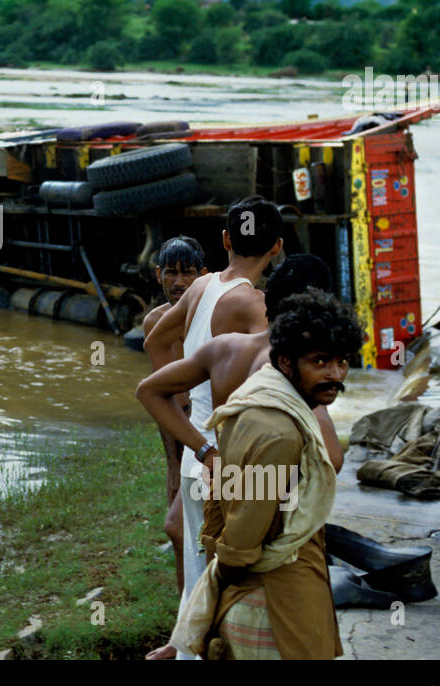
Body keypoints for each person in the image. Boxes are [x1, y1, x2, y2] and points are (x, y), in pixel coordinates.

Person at [138, 253, 343, 659]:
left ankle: (185, 645)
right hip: (273, 556)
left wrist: (205, 449)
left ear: (268, 301)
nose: (335, 372)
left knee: (213, 577)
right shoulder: (289, 374)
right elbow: (332, 458)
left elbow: (149, 389)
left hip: (220, 483)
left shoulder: (227, 349)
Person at [141, 196, 282, 655]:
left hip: (196, 453)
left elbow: (156, 341)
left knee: (198, 576)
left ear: (224, 240)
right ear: (276, 248)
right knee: (234, 586)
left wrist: (185, 406)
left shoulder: (202, 289)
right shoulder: (253, 305)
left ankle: (182, 648)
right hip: (229, 462)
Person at [141, 236, 207, 600]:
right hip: (174, 414)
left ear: (204, 276)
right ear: (158, 275)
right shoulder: (156, 322)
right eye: (171, 273)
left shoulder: (215, 314)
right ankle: (186, 600)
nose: (178, 282)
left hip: (206, 417)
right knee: (176, 481)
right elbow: (164, 385)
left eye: (188, 273)